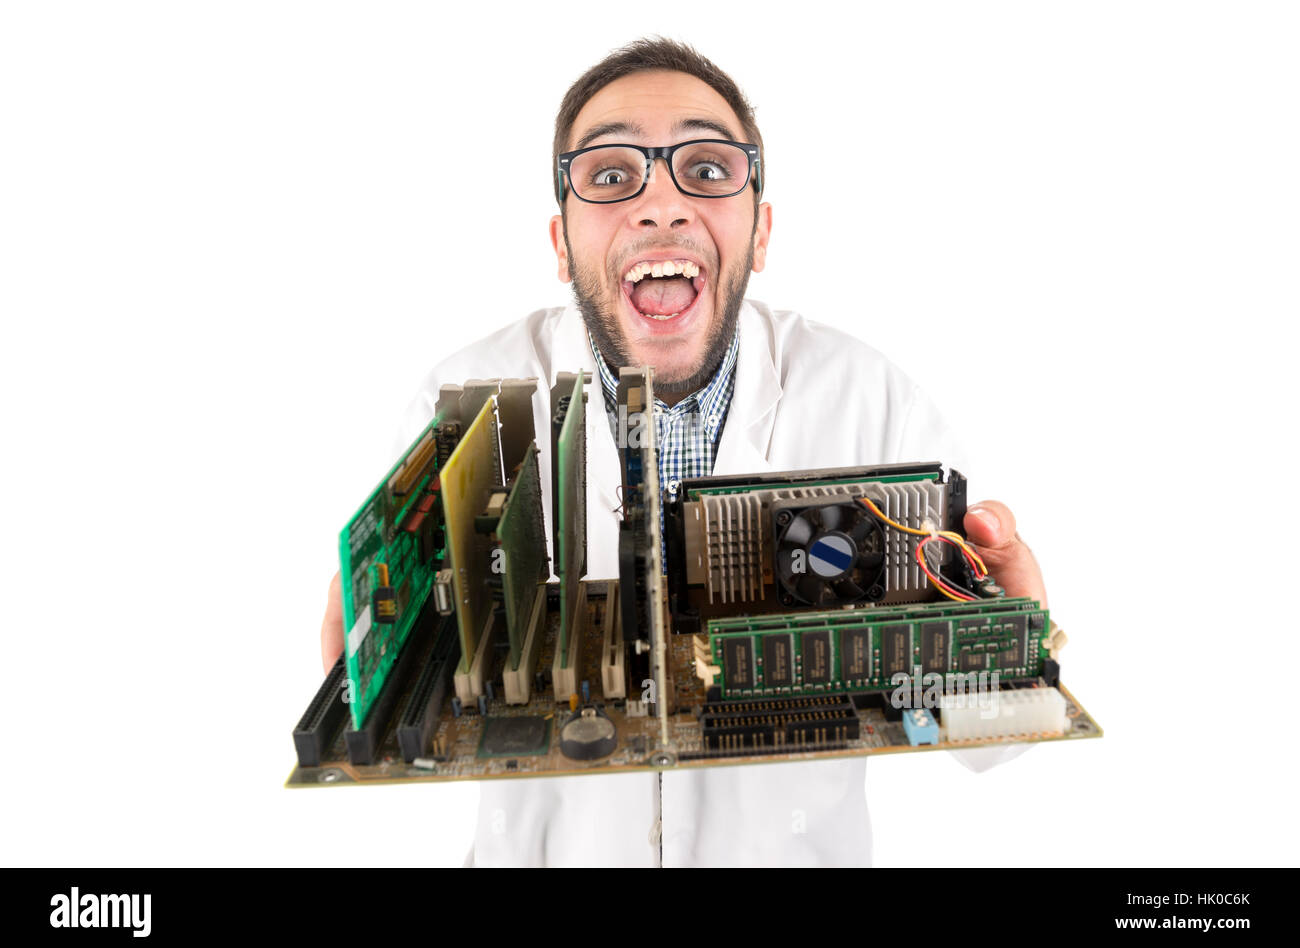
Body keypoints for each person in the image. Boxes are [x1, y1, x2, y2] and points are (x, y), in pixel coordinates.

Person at [319, 38, 1050, 866]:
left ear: (761, 232)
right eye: (609, 174)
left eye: (706, 171)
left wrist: (1011, 655)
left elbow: (991, 737)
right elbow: (388, 708)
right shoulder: (462, 407)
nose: (660, 203)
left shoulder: (873, 400)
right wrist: (373, 677)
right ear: (560, 241)